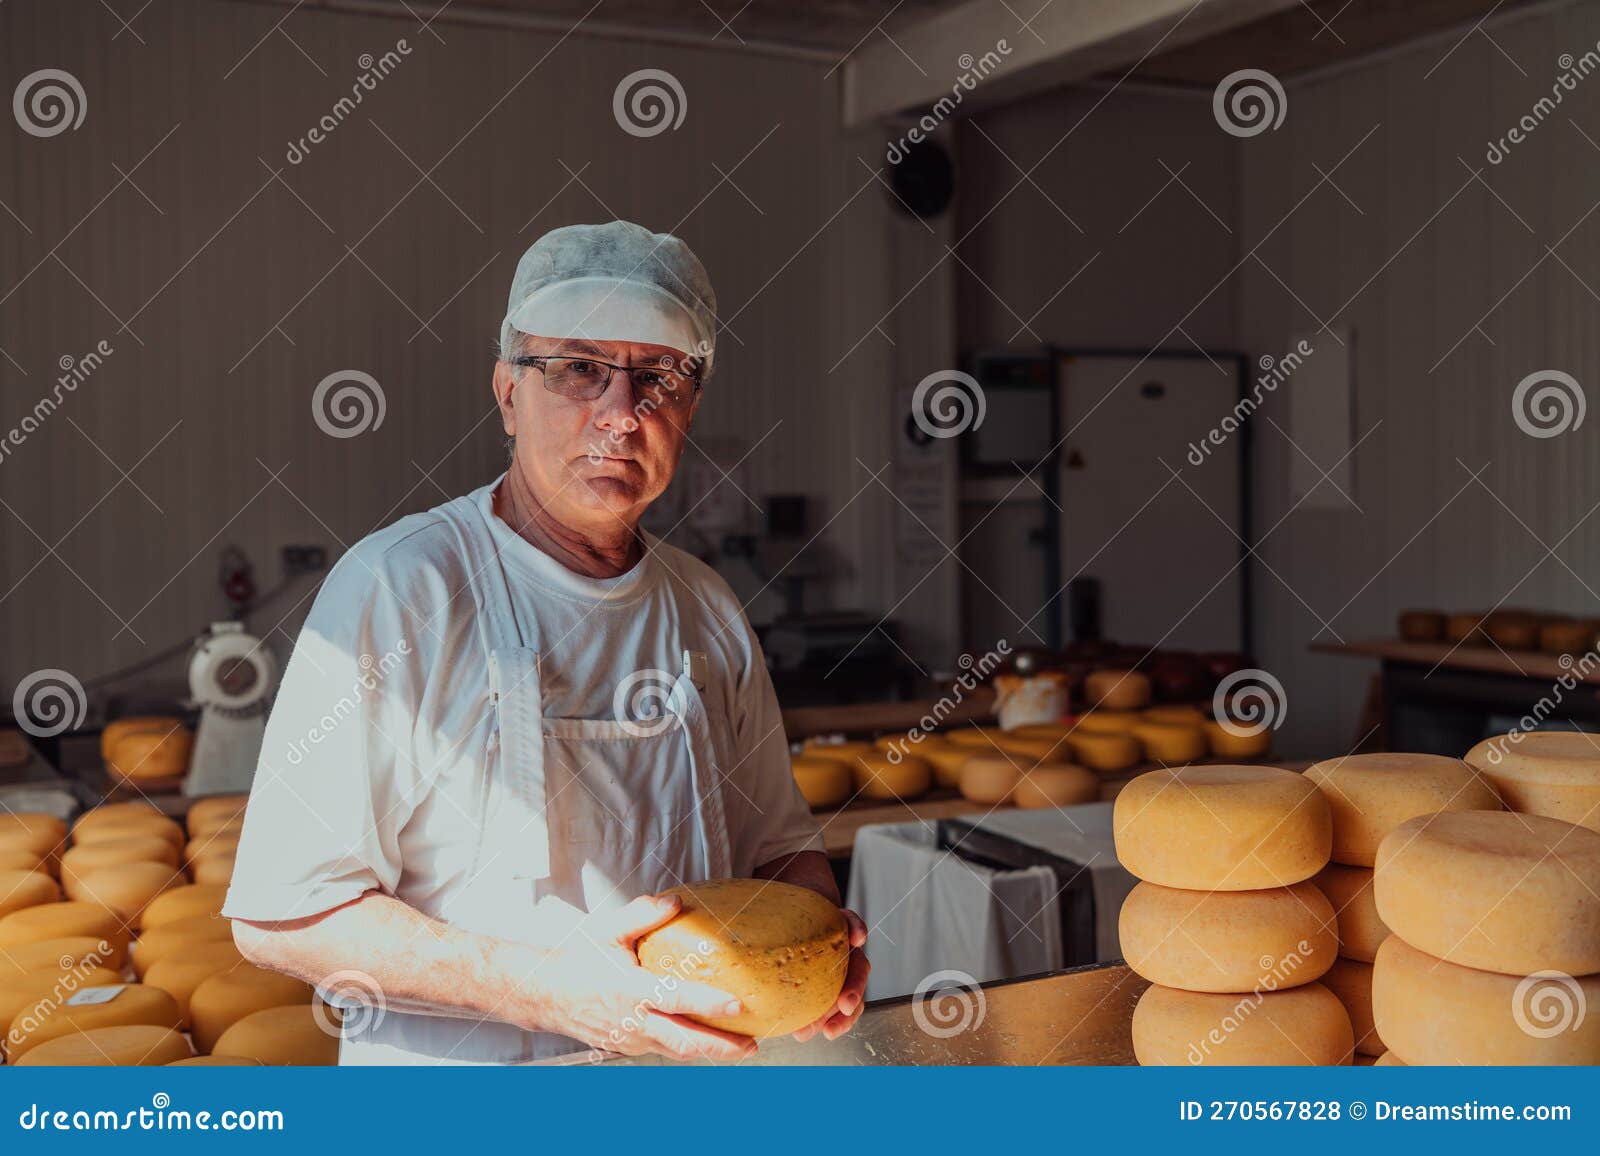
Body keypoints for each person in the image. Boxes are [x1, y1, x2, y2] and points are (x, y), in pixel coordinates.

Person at [223, 220, 869, 1065]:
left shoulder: (706, 608)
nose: (621, 415)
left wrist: (819, 943)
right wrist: (549, 991)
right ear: (507, 393)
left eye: (658, 377)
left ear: (690, 407)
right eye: (578, 369)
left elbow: (779, 851)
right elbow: (283, 913)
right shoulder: (400, 588)